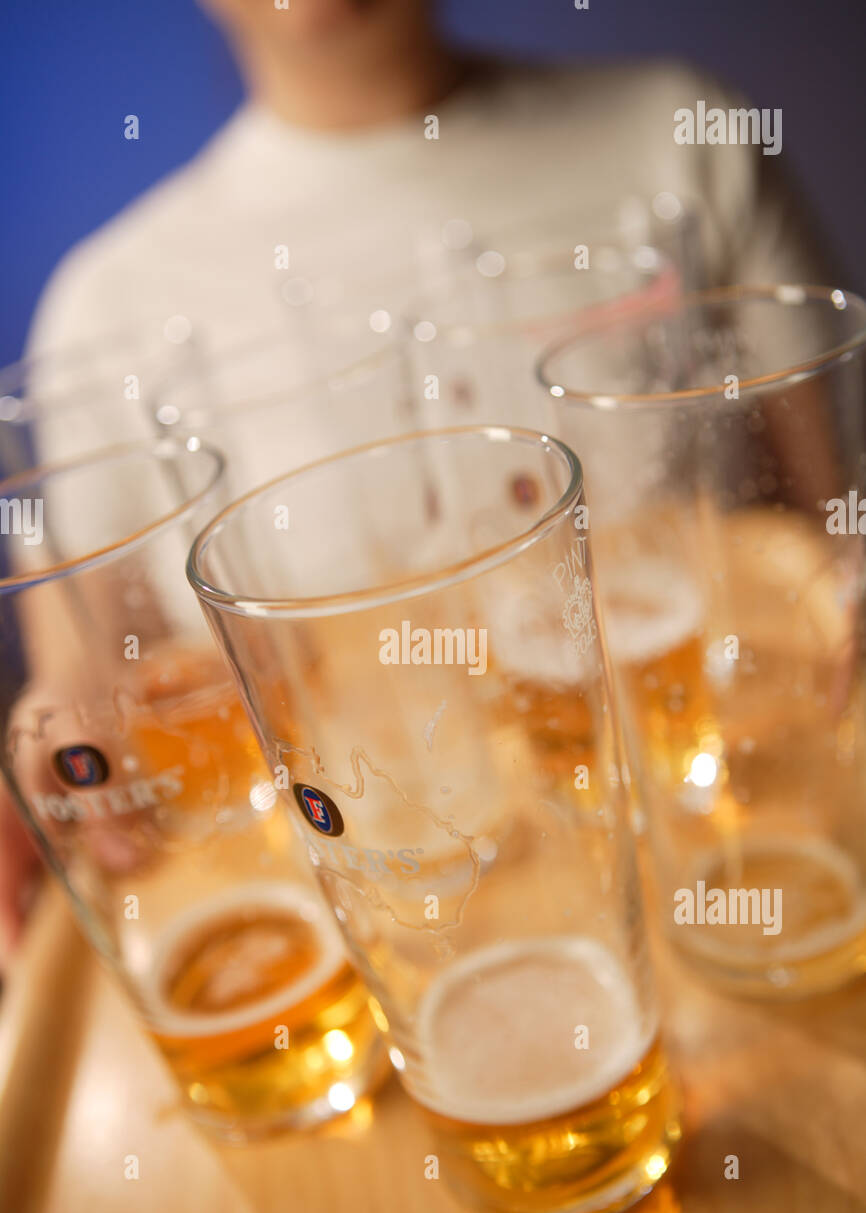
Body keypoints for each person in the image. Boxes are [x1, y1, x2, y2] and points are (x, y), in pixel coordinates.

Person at [0, 0, 840, 963]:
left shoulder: (686, 133)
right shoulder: (104, 305)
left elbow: (833, 534)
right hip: (410, 934)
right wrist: (59, 759)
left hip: (738, 865)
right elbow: (79, 687)